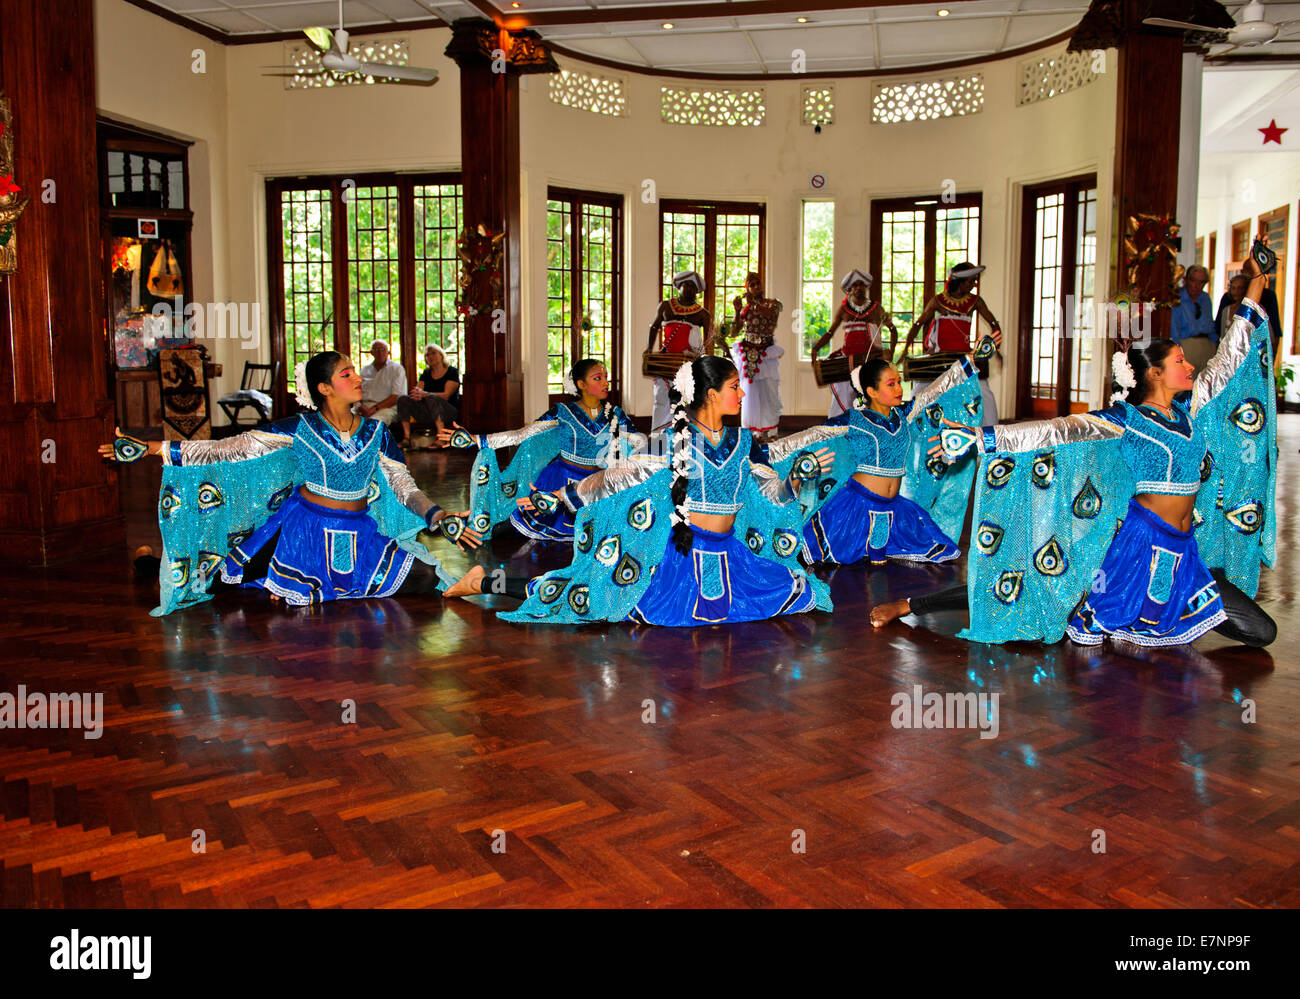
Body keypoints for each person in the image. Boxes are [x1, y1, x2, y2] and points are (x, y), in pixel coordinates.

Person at [871, 256, 1277, 649]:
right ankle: (908, 605)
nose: (1190, 367)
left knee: (1261, 632)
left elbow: (1232, 354)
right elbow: (1055, 431)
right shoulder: (1127, 419)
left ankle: (1147, 609)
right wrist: (982, 438)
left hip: (1185, 552)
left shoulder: (1191, 409)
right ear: (1155, 372)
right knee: (1031, 582)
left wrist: (1258, 281)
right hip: (1135, 549)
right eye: (1179, 361)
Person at [445, 356, 837, 626]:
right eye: (735, 387)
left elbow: (773, 494)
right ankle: (483, 582)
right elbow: (619, 475)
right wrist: (562, 497)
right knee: (592, 597)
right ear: (712, 394)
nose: (742, 394)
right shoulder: (674, 441)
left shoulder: (744, 442)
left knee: (797, 591)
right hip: (679, 558)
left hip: (731, 558)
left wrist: (795, 480)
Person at [101, 350, 482, 614]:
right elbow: (228, 449)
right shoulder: (298, 429)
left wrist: (438, 516)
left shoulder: (376, 433)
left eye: (355, 371)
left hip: (359, 533)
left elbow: (403, 486)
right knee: (213, 582)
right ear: (324, 388)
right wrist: (152, 448)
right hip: (301, 531)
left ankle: (282, 579)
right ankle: (149, 563)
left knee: (427, 578)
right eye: (346, 373)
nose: (357, 377)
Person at [438, 358, 646, 543]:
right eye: (598, 378)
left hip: (595, 484)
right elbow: (521, 434)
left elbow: (638, 444)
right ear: (581, 384)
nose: (605, 383)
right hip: (560, 479)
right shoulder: (563, 411)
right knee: (510, 529)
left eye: (606, 377)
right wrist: (478, 439)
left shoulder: (616, 414)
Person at [802, 358, 968, 566]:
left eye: (899, 382)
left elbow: (936, 391)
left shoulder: (904, 415)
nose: (899, 388)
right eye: (891, 384)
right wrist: (769, 452)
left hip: (895, 510)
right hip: (855, 511)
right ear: (871, 391)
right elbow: (809, 438)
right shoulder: (854, 420)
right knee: (835, 566)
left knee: (937, 550)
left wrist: (967, 362)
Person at [903, 262, 1002, 423]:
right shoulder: (938, 301)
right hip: (940, 358)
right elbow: (919, 324)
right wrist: (905, 349)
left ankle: (990, 430)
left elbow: (993, 324)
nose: (974, 285)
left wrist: (995, 347)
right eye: (971, 281)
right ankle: (912, 425)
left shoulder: (975, 301)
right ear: (960, 282)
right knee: (921, 392)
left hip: (964, 357)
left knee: (984, 392)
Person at [813, 269, 898, 418]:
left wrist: (891, 350)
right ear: (850, 289)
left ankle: (870, 423)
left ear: (866, 287)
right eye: (855, 285)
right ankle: (842, 424)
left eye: (861, 284)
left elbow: (892, 330)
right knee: (845, 393)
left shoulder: (876, 308)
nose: (859, 288)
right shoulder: (844, 310)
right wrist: (816, 349)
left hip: (870, 359)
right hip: (848, 359)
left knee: (869, 394)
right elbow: (830, 332)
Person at [646, 271, 713, 433]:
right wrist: (649, 349)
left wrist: (707, 364)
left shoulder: (703, 314)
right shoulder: (665, 306)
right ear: (679, 287)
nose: (689, 289)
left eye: (693, 286)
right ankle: (660, 436)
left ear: (697, 291)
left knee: (688, 400)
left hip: (688, 364)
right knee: (662, 399)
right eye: (686, 285)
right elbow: (654, 327)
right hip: (666, 362)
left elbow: (709, 340)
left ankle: (686, 435)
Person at [727, 271, 784, 442]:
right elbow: (734, 331)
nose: (756, 286)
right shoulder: (747, 308)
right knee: (750, 394)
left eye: (758, 283)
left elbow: (768, 315)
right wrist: (737, 311)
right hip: (748, 353)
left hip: (766, 353)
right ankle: (754, 433)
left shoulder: (773, 304)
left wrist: (752, 303)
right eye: (752, 284)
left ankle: (772, 432)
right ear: (748, 288)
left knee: (770, 393)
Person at [395, 343, 460, 448]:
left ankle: (441, 438)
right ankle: (407, 438)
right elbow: (418, 390)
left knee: (431, 397)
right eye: (427, 355)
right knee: (402, 399)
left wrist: (425, 394)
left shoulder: (452, 372)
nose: (430, 357)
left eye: (433, 353)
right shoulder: (426, 373)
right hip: (427, 412)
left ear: (441, 355)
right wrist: (417, 394)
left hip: (448, 411)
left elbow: (446, 395)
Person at [1170, 264, 1217, 373]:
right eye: (1193, 280)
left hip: (1207, 347)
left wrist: (1214, 345)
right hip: (1187, 347)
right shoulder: (1177, 298)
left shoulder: (1206, 298)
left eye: (1201, 282)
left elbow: (1211, 325)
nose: (1196, 286)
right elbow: (1174, 331)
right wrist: (1178, 354)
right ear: (1185, 280)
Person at [355, 339, 408, 425]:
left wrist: (374, 409)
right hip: (363, 407)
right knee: (343, 419)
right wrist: (360, 407)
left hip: (386, 408)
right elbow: (357, 392)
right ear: (371, 352)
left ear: (388, 352)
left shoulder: (397, 369)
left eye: (383, 349)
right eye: (376, 349)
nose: (380, 352)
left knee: (372, 424)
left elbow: (397, 396)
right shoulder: (365, 370)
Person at [1216, 272, 1247, 343]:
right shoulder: (1226, 310)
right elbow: (1222, 335)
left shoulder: (1251, 310)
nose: (1236, 291)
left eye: (1240, 288)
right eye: (1233, 288)